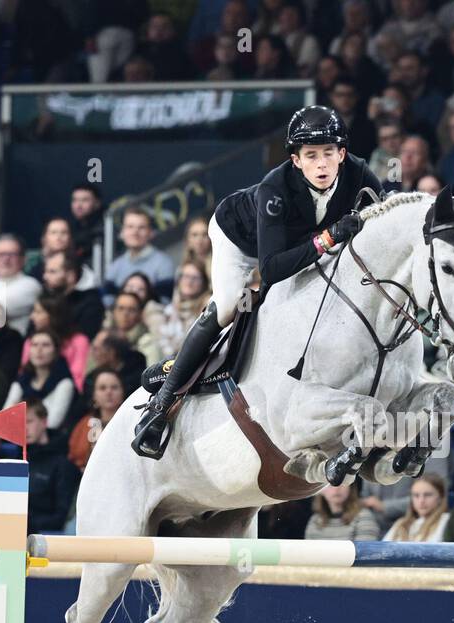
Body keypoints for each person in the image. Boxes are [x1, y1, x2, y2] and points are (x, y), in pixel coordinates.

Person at [133, 105, 389, 459]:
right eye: (311, 155)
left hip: (297, 245)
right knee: (229, 305)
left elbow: (385, 220)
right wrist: (329, 237)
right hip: (241, 241)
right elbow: (270, 270)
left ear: (342, 154)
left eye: (328, 153)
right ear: (296, 160)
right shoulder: (275, 188)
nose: (321, 164)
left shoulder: (360, 174)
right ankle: (162, 402)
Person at [4, 330, 75, 432]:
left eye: (45, 345)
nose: (39, 350)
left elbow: (52, 423)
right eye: (34, 345)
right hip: (17, 436)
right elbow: (5, 418)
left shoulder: (65, 383)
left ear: (56, 351)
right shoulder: (21, 381)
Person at [27, 400, 80, 534]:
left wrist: (28, 524)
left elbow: (61, 516)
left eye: (29, 421)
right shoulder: (16, 460)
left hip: (45, 537)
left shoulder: (63, 464)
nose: (24, 428)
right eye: (19, 423)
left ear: (44, 422)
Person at [68, 368, 125, 472]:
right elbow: (74, 457)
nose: (109, 392)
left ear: (122, 393)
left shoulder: (130, 422)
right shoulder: (85, 424)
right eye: (102, 388)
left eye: (114, 387)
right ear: (94, 395)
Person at [384, 474, 449, 542]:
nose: (421, 501)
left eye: (428, 495)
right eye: (416, 495)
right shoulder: (400, 523)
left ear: (440, 497)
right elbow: (384, 547)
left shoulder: (446, 521)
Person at [305, 483, 382, 541]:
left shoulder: (364, 516)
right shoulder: (315, 520)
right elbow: (309, 553)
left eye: (342, 483)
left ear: (350, 487)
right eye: (330, 484)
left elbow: (364, 552)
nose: (336, 488)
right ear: (319, 490)